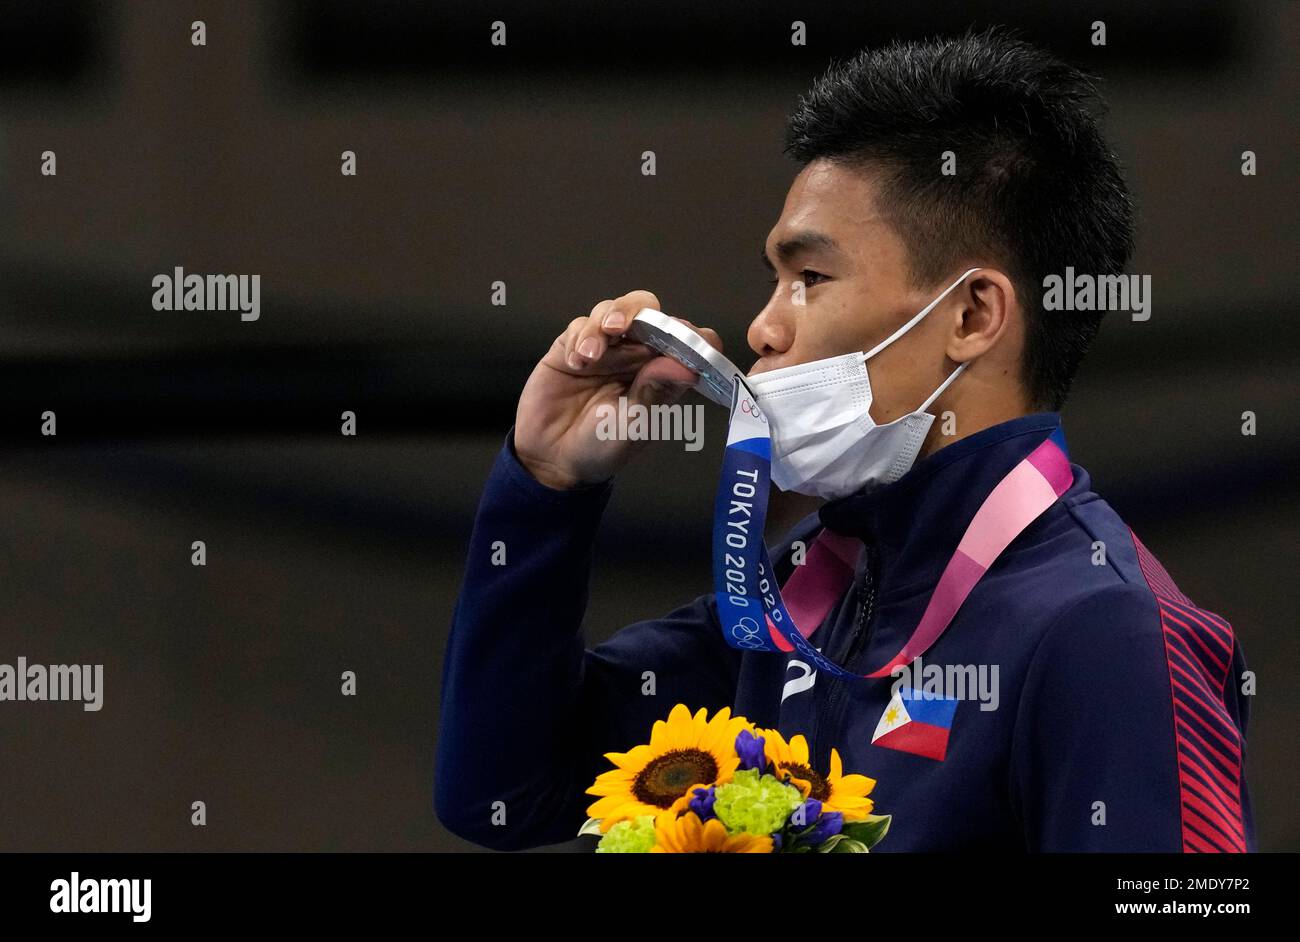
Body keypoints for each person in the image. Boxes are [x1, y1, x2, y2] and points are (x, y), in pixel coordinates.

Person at [435, 28, 1255, 852]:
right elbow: (505, 793)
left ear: (971, 316)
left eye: (810, 279)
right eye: (774, 281)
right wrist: (544, 486)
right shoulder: (802, 595)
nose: (763, 325)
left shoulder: (1110, 630)